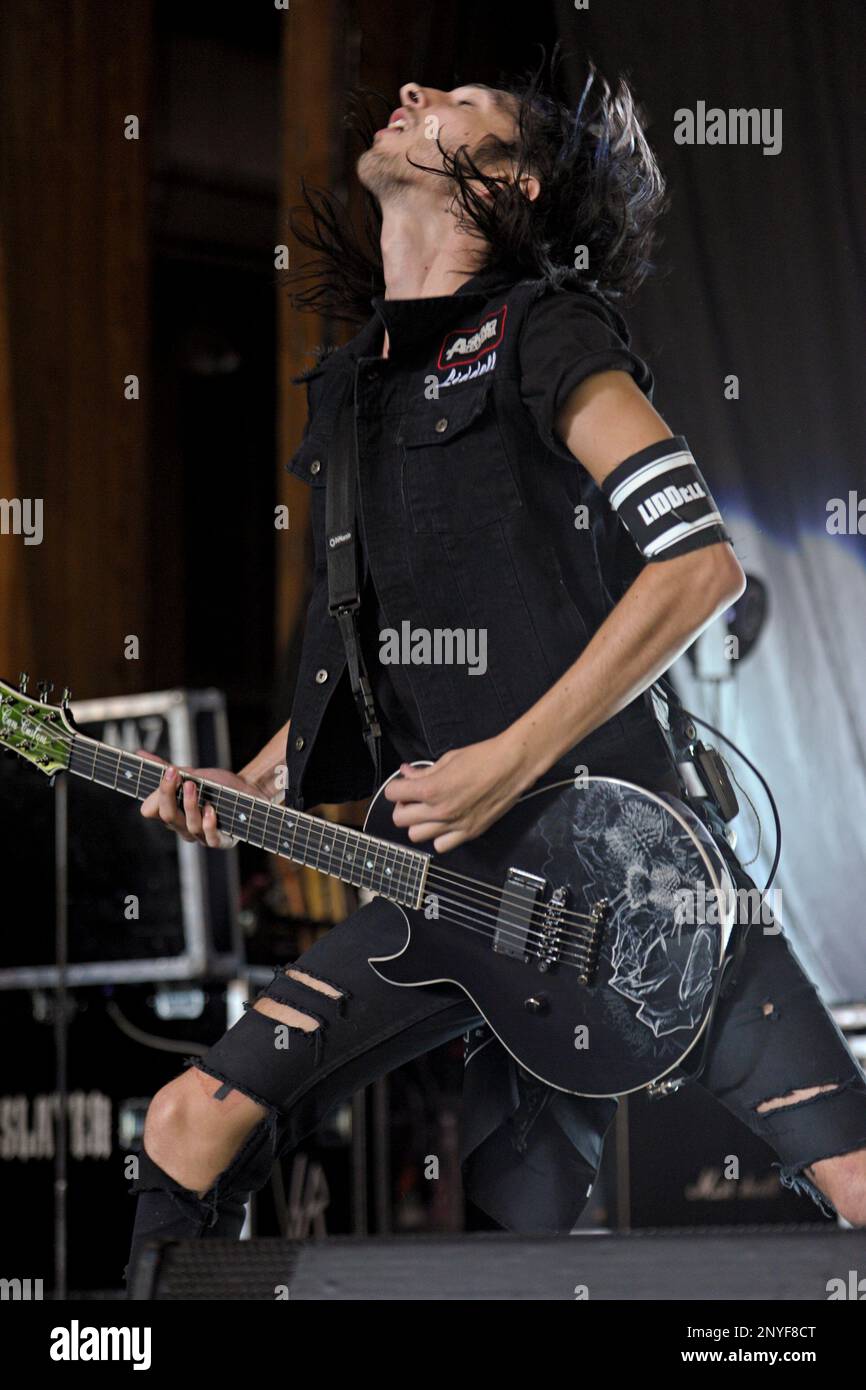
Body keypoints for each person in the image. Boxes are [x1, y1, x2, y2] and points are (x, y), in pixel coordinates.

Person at [125, 66, 866, 1282]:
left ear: (510, 182)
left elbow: (697, 567)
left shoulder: (543, 328)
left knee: (853, 1179)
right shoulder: (351, 384)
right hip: (450, 893)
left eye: (461, 99)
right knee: (187, 1128)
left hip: (626, 878)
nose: (413, 89)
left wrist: (500, 766)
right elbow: (351, 650)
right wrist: (255, 781)